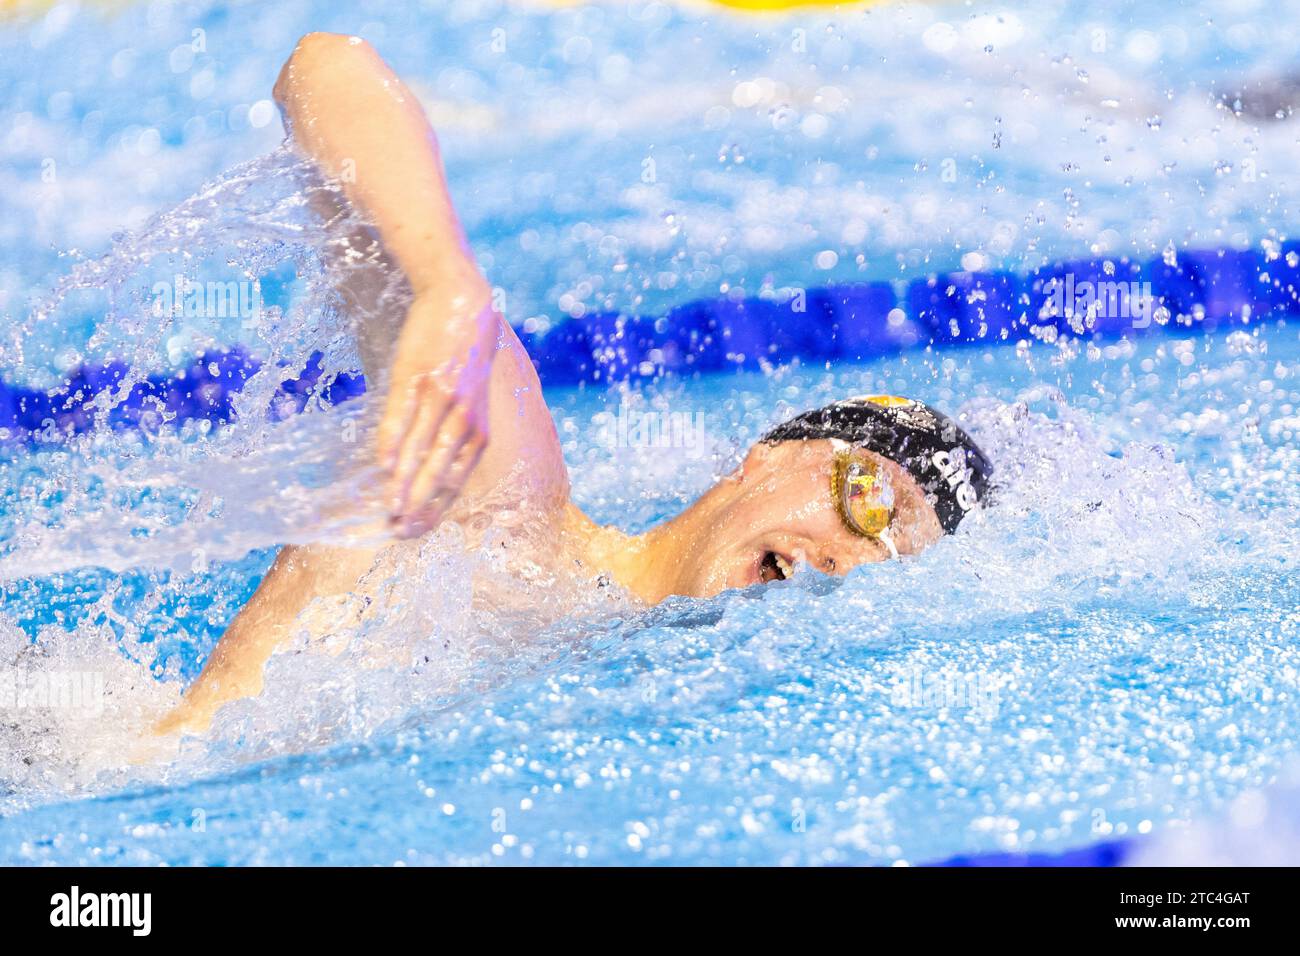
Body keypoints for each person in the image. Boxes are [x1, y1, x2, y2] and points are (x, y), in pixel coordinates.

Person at [153, 33, 992, 736]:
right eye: (865, 503)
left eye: (881, 568)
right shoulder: (511, 523)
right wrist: (448, 283)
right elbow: (324, 67)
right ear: (769, 458)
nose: (840, 564)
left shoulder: (664, 715)